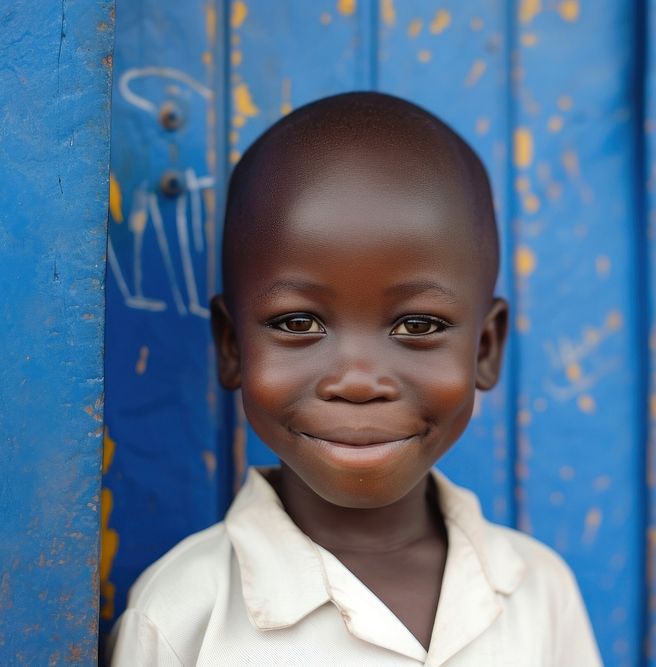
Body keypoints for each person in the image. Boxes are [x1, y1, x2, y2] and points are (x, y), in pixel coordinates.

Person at [108, 91, 602, 666]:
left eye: (418, 324)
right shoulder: (183, 618)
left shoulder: (539, 593)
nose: (359, 381)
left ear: (485, 348)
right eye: (299, 323)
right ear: (231, 346)